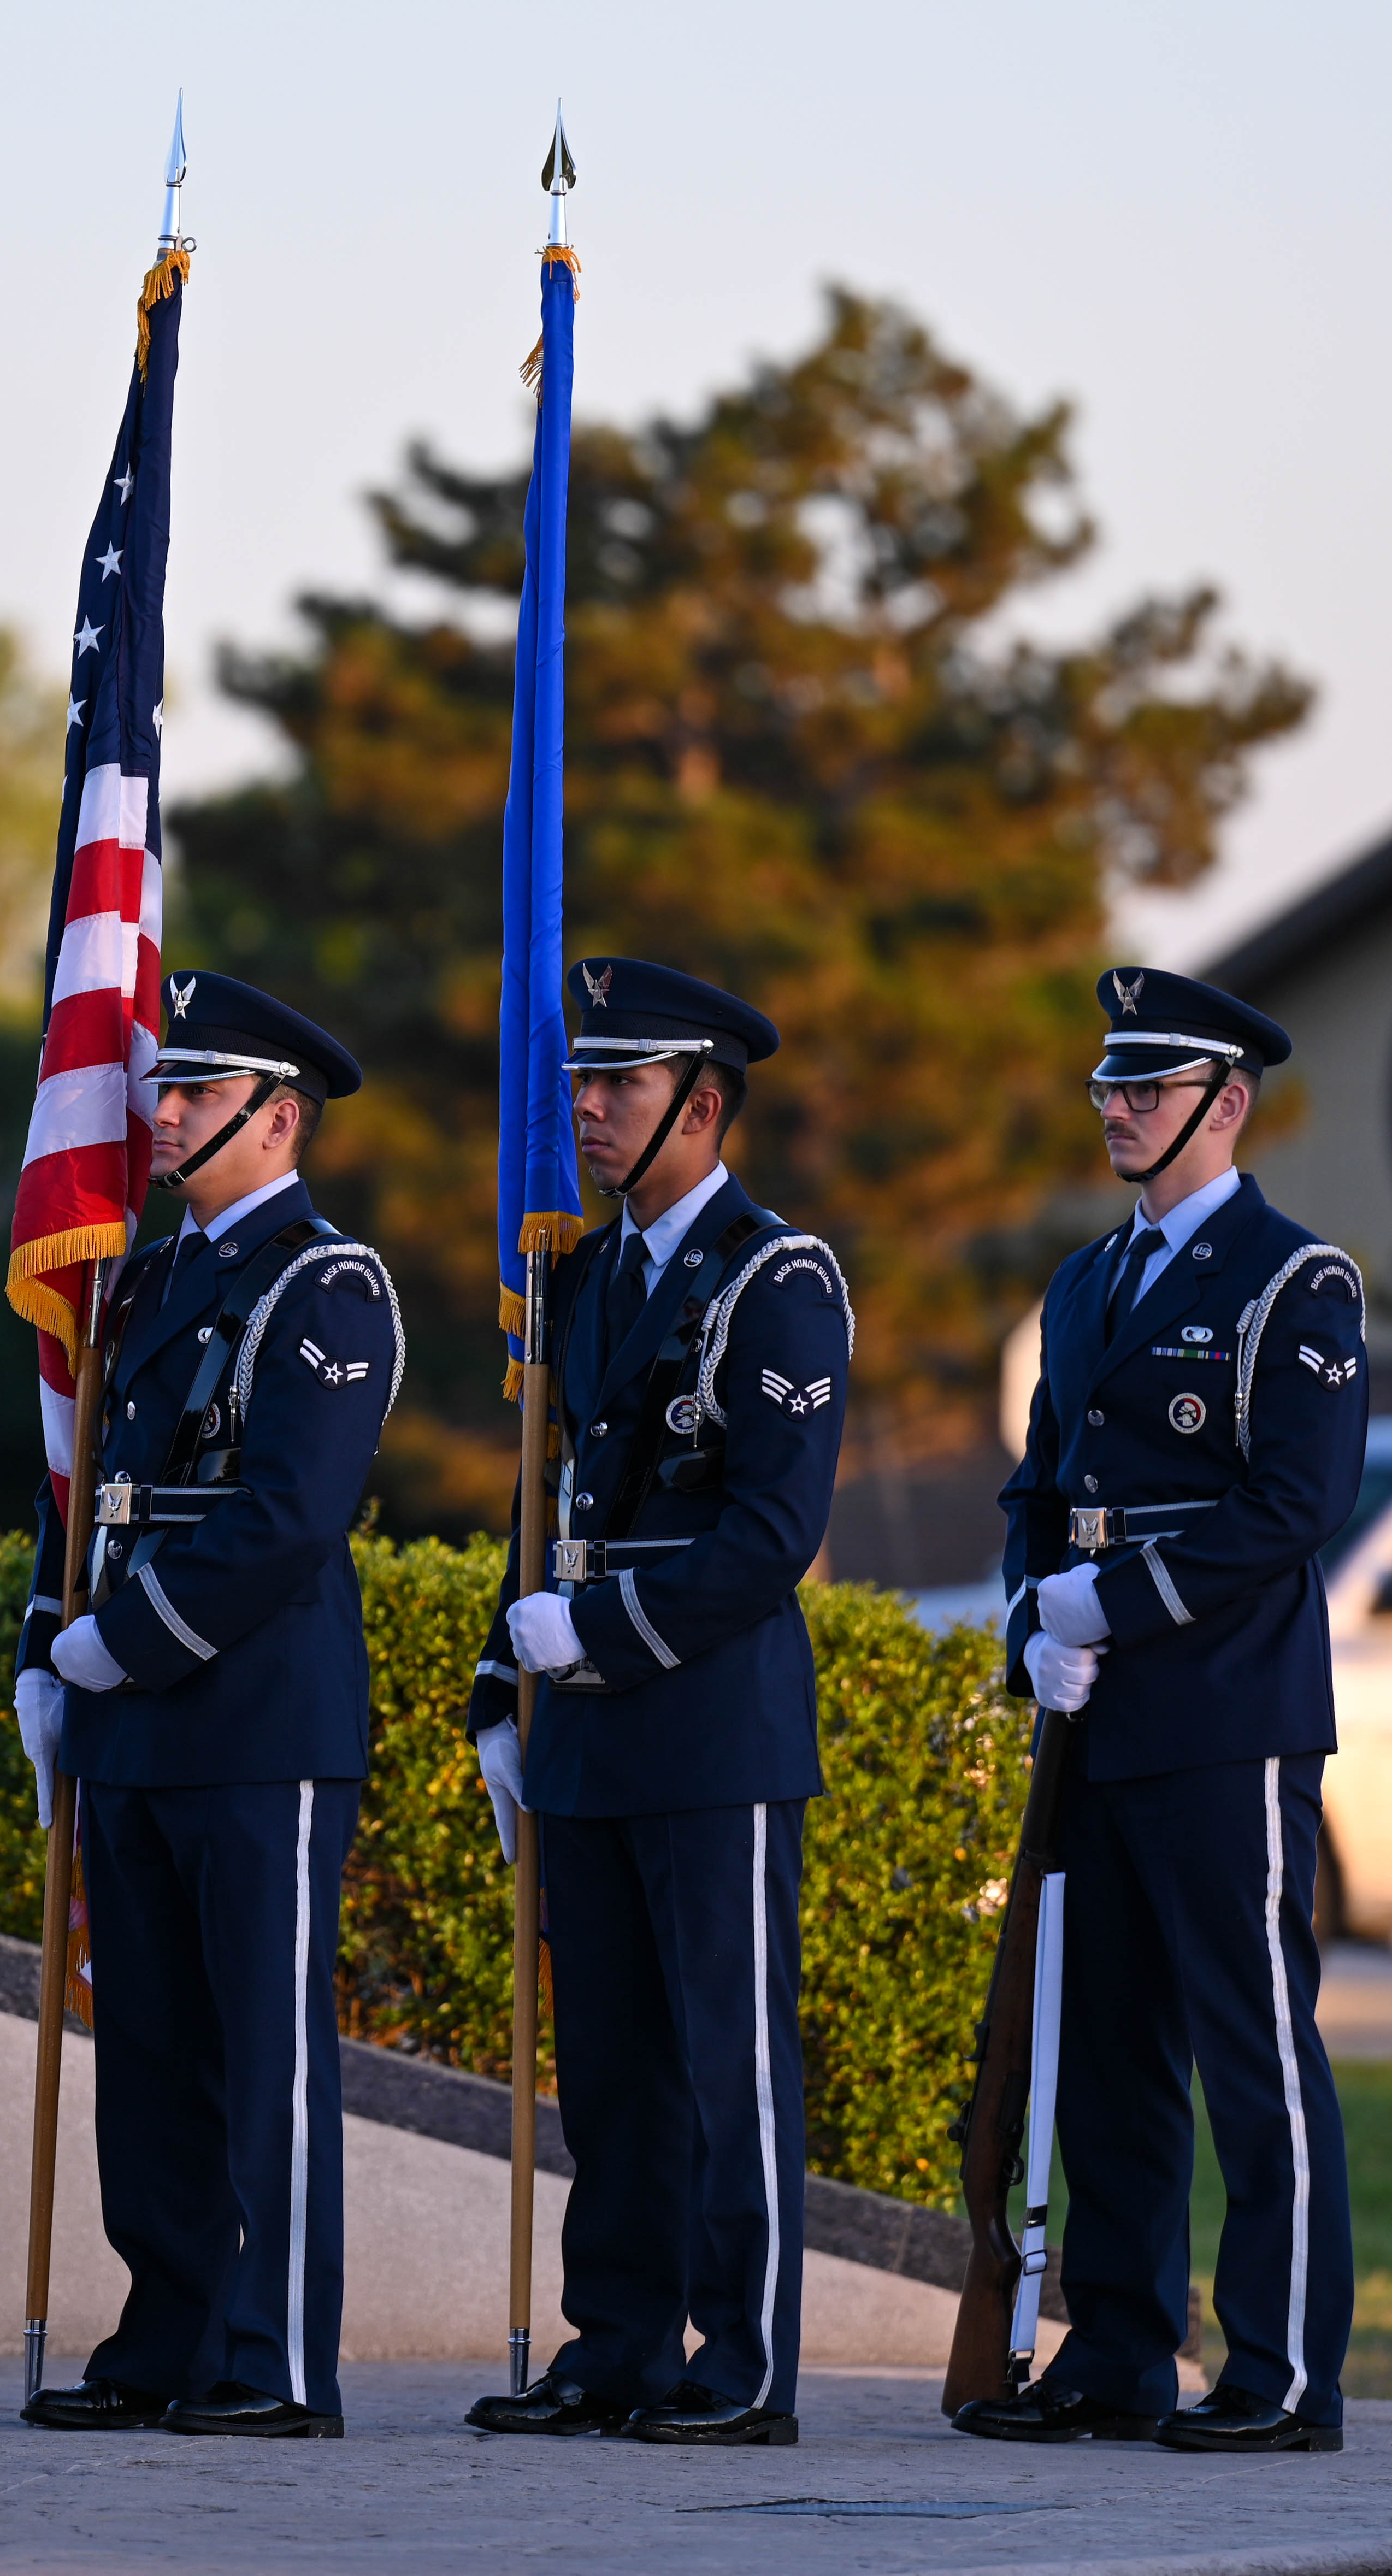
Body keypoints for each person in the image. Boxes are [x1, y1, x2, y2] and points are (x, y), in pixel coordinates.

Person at [952, 966, 1365, 2457]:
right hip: (1098, 1718)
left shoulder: (1294, 1282)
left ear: (1226, 1102)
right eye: (1108, 1086)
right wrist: (1030, 1622)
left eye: (1148, 1087)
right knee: (1107, 2047)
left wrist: (1109, 1606)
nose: (1117, 1110)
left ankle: (1286, 2370)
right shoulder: (1085, 1283)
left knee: (1253, 2045)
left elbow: (1293, 1505)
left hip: (1226, 1713)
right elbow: (1038, 1491)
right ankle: (1121, 2347)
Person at [458, 959, 850, 2450]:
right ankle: (619, 2343)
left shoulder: (778, 1277)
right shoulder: (584, 1274)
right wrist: (503, 1680)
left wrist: (600, 1631)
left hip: (707, 1721)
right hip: (588, 1721)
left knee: (727, 2061)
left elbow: (771, 1533)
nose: (588, 1107)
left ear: (703, 1101)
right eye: (583, 1080)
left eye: (620, 1083)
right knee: (613, 2061)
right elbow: (554, 1490)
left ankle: (743, 2361)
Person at [9, 973, 402, 2442]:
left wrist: (125, 1642)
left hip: (254, 1722)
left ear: (279, 1117)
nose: (161, 1111)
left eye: (195, 1091)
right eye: (164, 1086)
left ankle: (277, 2352)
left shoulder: (327, 1284)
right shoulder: (142, 1282)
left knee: (263, 2053)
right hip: (134, 1724)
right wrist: (46, 1641)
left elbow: (286, 1517)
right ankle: (168, 2330)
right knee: (152, 2049)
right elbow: (85, 1488)